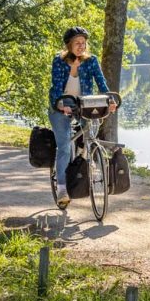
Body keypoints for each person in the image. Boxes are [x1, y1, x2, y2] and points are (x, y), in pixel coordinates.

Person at [47, 26, 114, 209]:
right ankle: (62, 189)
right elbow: (56, 86)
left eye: (83, 43)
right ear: (68, 45)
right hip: (61, 106)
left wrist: (111, 100)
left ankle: (87, 155)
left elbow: (101, 83)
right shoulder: (59, 61)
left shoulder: (91, 61)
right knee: (64, 147)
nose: (81, 46)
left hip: (83, 104)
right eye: (77, 43)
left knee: (91, 133)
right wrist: (60, 104)